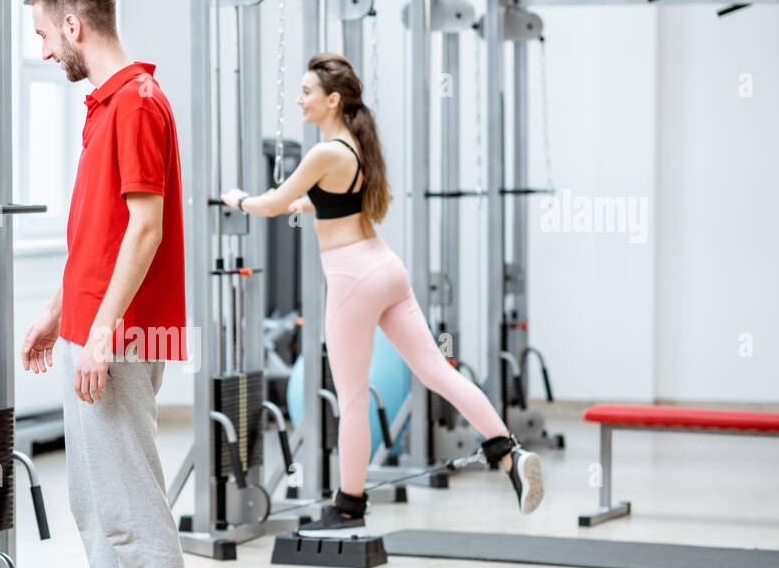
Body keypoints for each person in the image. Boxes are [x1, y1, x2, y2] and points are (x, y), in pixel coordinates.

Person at [222, 52, 544, 537]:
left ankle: (349, 506)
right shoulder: (354, 146)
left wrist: (237, 199)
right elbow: (329, 200)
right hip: (386, 268)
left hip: (353, 278)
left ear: (332, 100)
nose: (299, 99)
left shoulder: (323, 151)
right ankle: (506, 450)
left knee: (351, 398)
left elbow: (271, 205)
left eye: (307, 92)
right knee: (437, 372)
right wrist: (306, 207)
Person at [19, 0, 196, 568]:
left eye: (44, 37)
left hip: (118, 340)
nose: (45, 53)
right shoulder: (103, 105)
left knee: (130, 505)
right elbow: (98, 234)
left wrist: (99, 332)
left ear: (74, 25)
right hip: (91, 334)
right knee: (96, 505)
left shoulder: (138, 103)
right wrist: (58, 315)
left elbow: (147, 228)